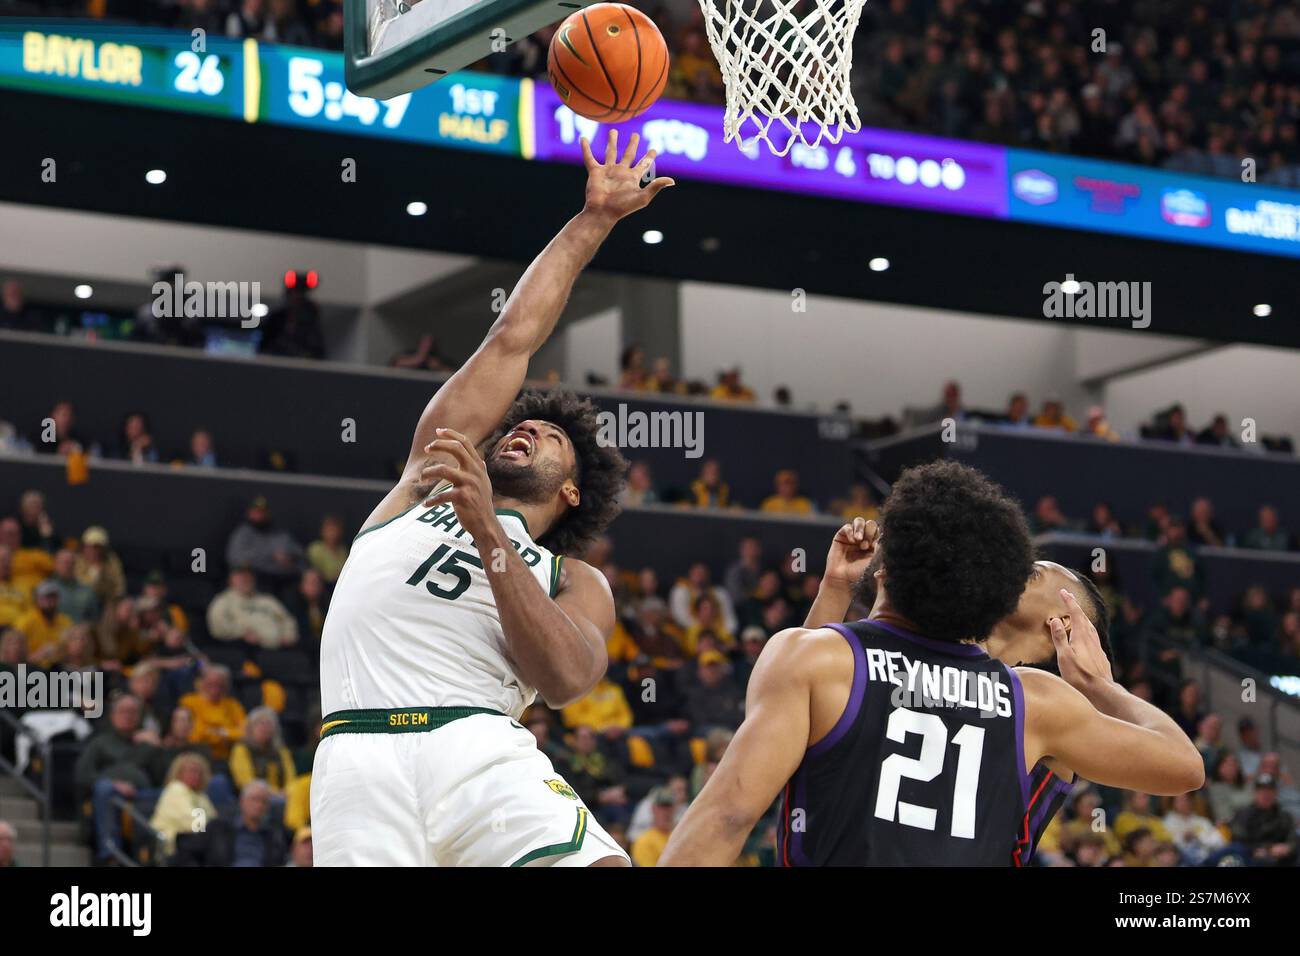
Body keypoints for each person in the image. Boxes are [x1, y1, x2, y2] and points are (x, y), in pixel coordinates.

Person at [312, 130, 671, 868]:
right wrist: (593, 221)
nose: (523, 429)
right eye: (520, 423)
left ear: (571, 490)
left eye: (547, 437)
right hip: (355, 757)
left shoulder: (574, 578)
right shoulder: (427, 479)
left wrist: (492, 538)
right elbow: (512, 338)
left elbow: (568, 680)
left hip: (475, 747)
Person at [660, 461, 1203, 866]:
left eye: (1038, 574)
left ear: (1059, 631)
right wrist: (1105, 688)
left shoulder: (818, 661)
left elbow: (729, 813)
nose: (1025, 569)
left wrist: (1096, 685)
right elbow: (1184, 766)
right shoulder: (1035, 704)